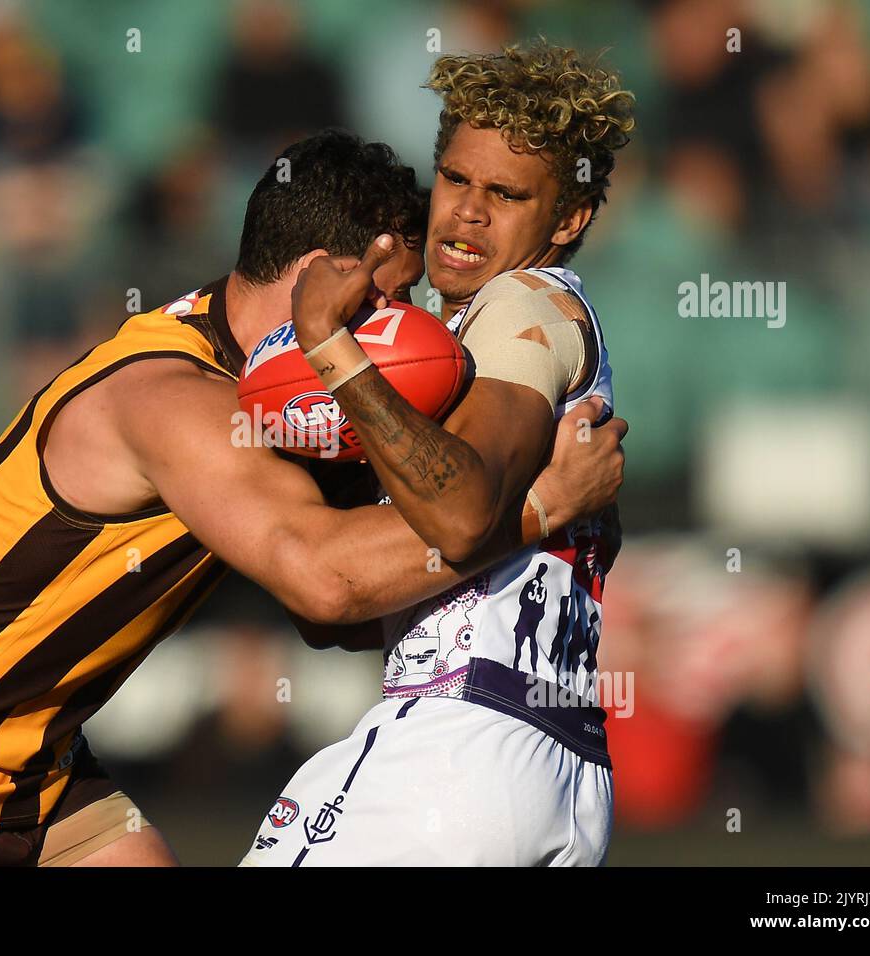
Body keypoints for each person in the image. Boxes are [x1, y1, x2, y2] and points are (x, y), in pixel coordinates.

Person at [0, 129, 625, 867]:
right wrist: (537, 511)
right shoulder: (178, 399)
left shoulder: (268, 394)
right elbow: (330, 584)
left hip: (30, 764)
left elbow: (342, 625)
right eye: (387, 298)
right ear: (324, 279)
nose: (402, 325)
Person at [242, 40, 636, 866]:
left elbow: (459, 516)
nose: (467, 213)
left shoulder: (524, 301)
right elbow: (336, 617)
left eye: (506, 194)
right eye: (456, 179)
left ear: (568, 219)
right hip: (558, 765)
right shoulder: (443, 333)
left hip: (458, 739)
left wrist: (325, 347)